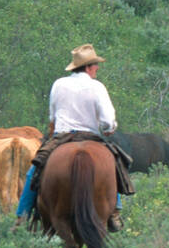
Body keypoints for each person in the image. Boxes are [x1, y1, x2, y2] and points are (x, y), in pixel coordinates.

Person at [15, 44, 135, 231]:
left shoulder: (58, 84)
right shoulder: (97, 87)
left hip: (61, 136)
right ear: (87, 67)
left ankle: (21, 217)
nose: (97, 68)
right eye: (95, 65)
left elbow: (52, 118)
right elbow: (108, 122)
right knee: (113, 163)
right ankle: (114, 211)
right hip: (90, 137)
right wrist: (109, 129)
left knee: (34, 170)